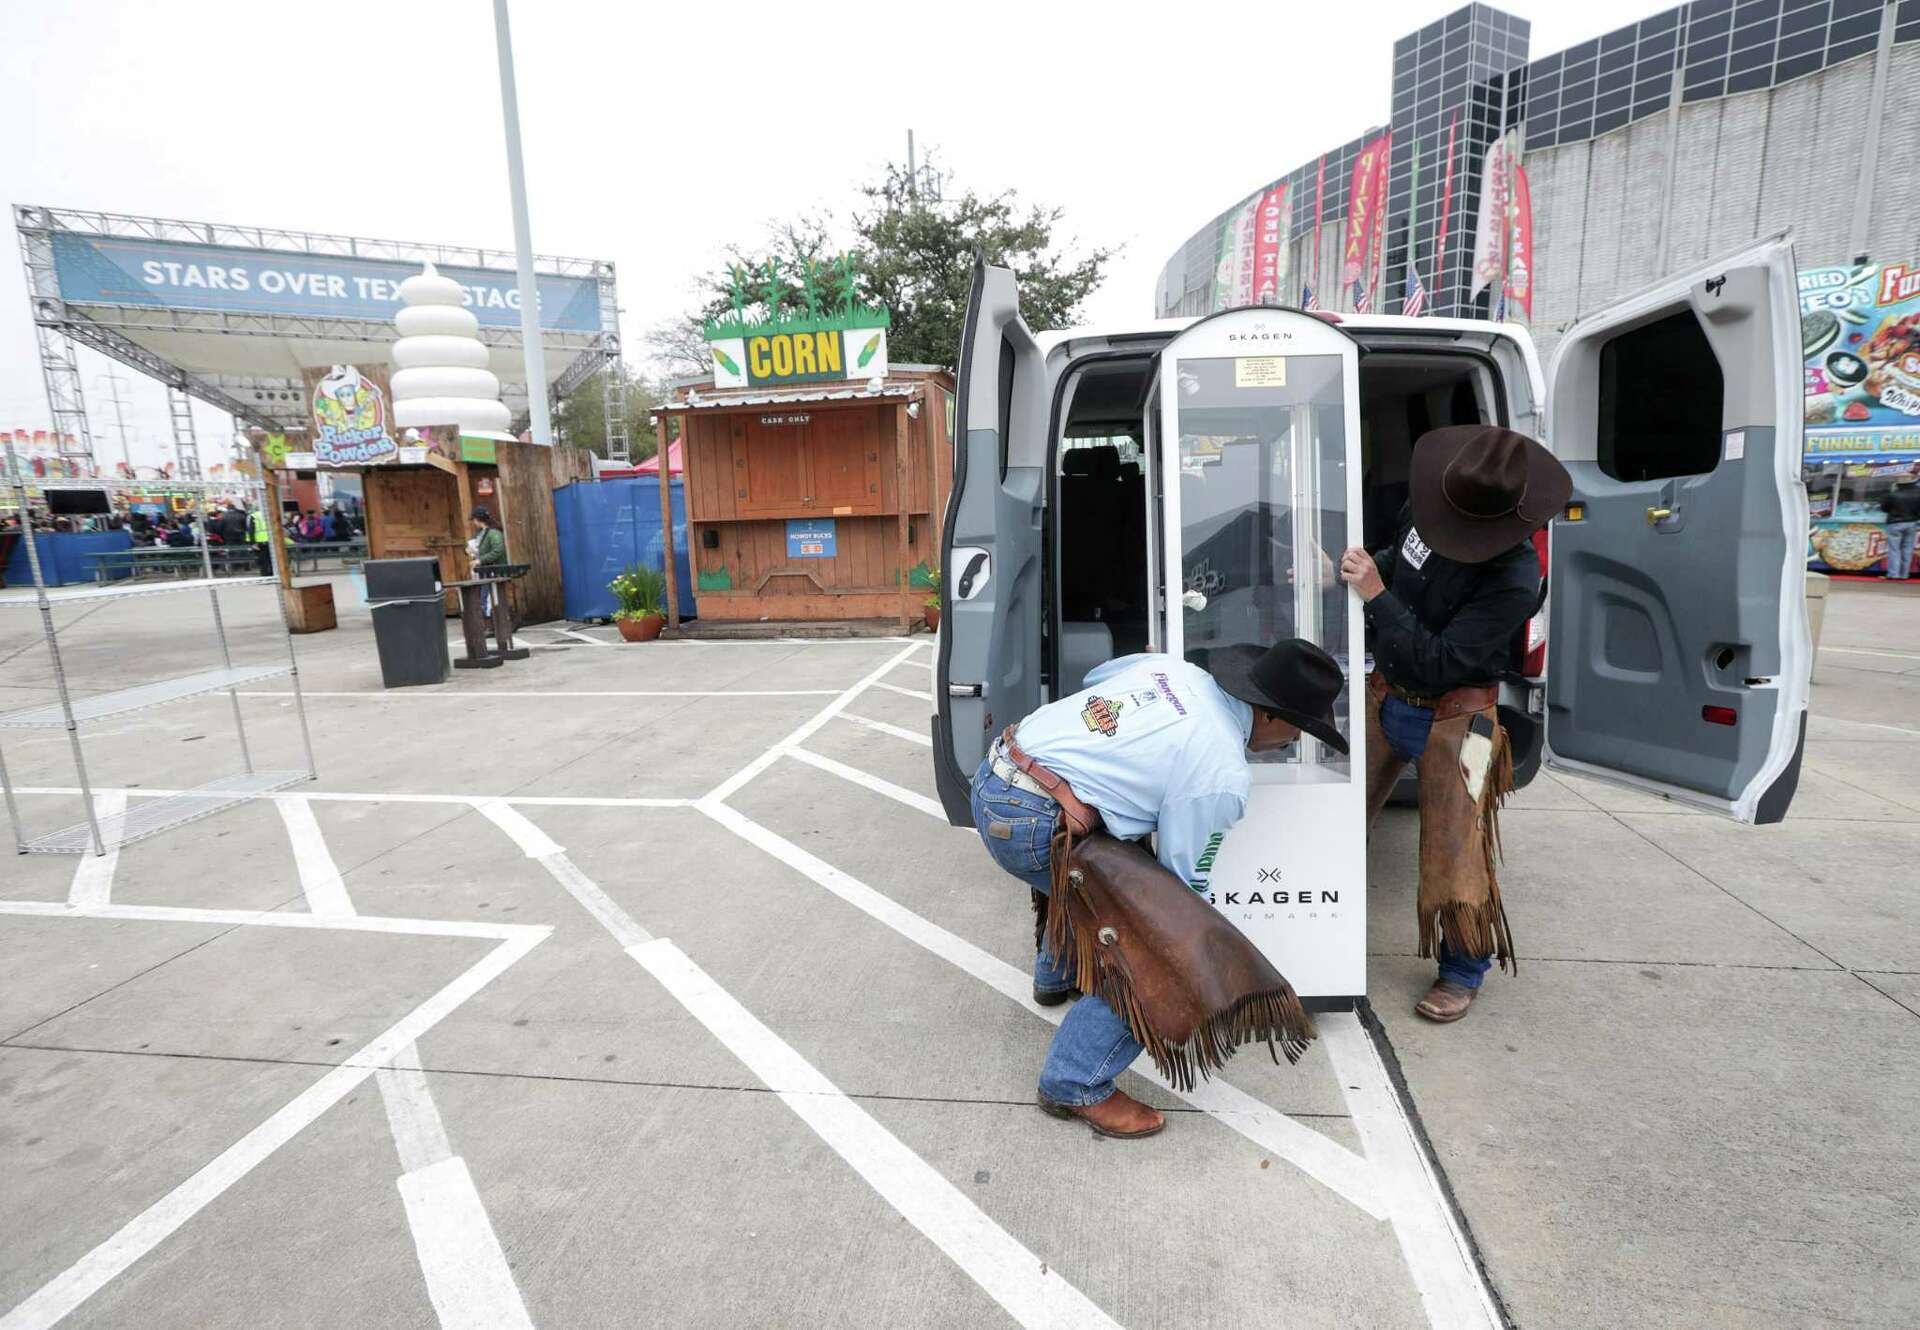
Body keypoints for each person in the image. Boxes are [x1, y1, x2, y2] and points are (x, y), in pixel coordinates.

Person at [970, 638, 1348, 1139]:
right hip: (1033, 822)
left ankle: (1056, 972)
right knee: (1155, 951)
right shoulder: (1219, 770)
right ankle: (1074, 1081)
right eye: (1299, 730)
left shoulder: (1170, 669)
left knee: (1097, 873)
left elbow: (1096, 683)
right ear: (1271, 716)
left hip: (997, 775)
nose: (1294, 742)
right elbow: (1181, 882)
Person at [1338, 424, 1572, 1025]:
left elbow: (1440, 660)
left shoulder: (1515, 577)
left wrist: (1377, 596)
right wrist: (1362, 567)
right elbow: (1400, 560)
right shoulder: (1427, 507)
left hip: (1459, 719)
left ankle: (1463, 970)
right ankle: (1314, 930)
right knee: (1331, 817)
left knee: (1457, 850)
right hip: (1385, 694)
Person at [1882, 476, 1920, 582]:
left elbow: (1884, 508)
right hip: (1912, 523)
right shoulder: (1918, 494)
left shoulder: (1892, 495)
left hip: (1895, 523)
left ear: (1899, 484)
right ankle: (1904, 574)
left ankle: (1894, 574)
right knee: (1907, 549)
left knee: (1894, 549)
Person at [247, 503, 273, 576]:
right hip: (271, 541)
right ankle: (273, 574)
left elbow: (251, 531)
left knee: (262, 560)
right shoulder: (269, 514)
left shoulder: (253, 516)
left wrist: (253, 543)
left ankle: (265, 575)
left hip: (260, 542)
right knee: (272, 559)